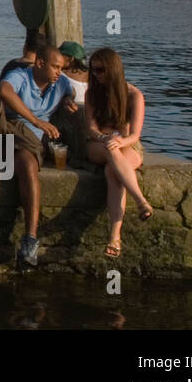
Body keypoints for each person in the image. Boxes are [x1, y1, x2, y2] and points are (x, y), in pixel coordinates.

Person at [0, 44, 78, 267]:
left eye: (62, 68)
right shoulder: (20, 75)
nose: (59, 72)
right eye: (55, 67)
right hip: (6, 126)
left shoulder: (62, 83)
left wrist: (67, 101)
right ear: (39, 63)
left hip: (28, 140)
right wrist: (36, 120)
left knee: (28, 167)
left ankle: (30, 239)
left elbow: (72, 92)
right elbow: (4, 91)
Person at [83, 47, 153, 258]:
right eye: (93, 70)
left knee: (113, 173)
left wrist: (120, 140)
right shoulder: (91, 94)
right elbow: (91, 128)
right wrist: (106, 138)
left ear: (113, 69)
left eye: (101, 70)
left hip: (128, 145)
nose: (96, 75)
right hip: (98, 144)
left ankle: (115, 236)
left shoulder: (134, 96)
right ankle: (141, 201)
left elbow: (135, 136)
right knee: (110, 150)